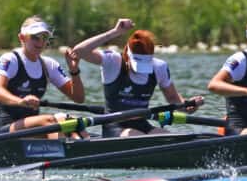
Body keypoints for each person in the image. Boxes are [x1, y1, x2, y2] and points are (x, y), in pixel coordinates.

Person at [72, 19, 203, 137]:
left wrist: (187, 106)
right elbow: (78, 51)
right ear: (128, 55)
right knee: (135, 135)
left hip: (142, 124)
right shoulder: (113, 61)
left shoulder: (159, 67)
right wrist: (115, 32)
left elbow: (173, 99)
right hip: (115, 126)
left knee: (168, 138)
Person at [0, 16, 85, 137]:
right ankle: (61, 152)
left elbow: (78, 98)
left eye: (44, 37)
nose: (40, 42)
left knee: (73, 122)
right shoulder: (10, 59)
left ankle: (88, 148)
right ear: (22, 38)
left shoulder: (49, 65)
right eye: (35, 37)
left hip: (33, 128)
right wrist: (21, 102)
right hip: (6, 129)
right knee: (48, 121)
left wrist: (74, 70)